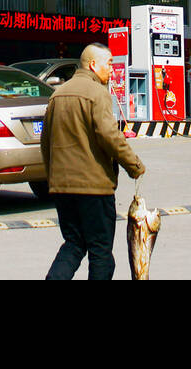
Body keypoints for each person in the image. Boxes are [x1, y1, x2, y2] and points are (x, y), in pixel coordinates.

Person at [42, 43, 145, 280]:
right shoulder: (98, 93)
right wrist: (134, 165)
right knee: (100, 252)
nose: (112, 68)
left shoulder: (57, 94)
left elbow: (45, 143)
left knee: (73, 244)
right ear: (92, 64)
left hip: (63, 189)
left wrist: (53, 179)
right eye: (109, 63)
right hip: (94, 189)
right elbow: (109, 135)